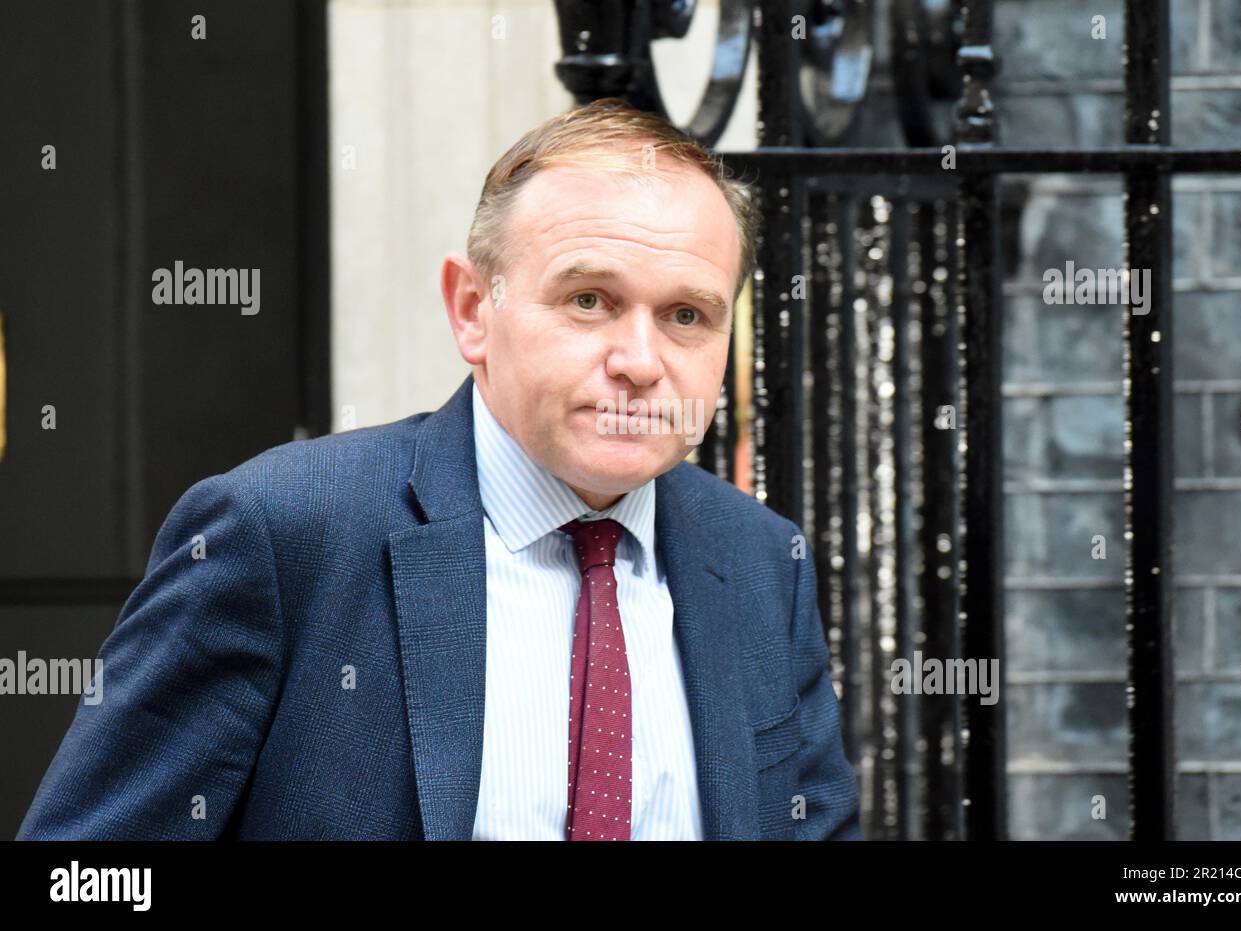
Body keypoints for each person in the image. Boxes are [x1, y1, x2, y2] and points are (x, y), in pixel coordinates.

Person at [18, 98, 863, 841]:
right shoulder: (282, 532)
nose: (640, 360)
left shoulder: (758, 560)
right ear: (472, 310)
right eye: (588, 300)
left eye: (686, 314)